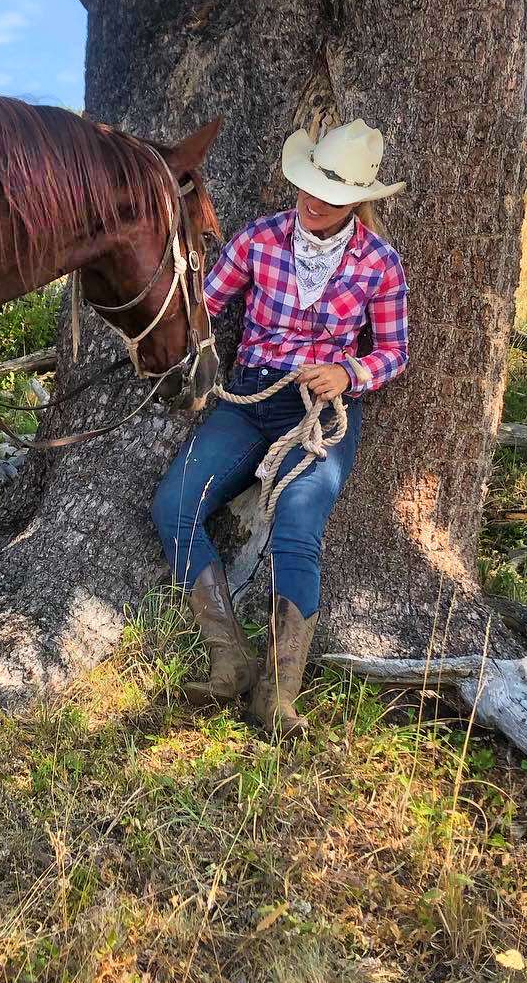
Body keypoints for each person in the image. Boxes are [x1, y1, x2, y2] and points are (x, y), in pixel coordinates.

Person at [150, 118, 410, 731]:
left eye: (333, 194)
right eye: (308, 186)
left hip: (320, 411)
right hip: (247, 397)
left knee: (298, 522)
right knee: (173, 505)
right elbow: (205, 304)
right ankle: (229, 660)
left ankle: (279, 692)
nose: (314, 201)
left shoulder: (379, 263)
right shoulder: (260, 238)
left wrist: (349, 373)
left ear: (357, 202)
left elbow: (394, 352)